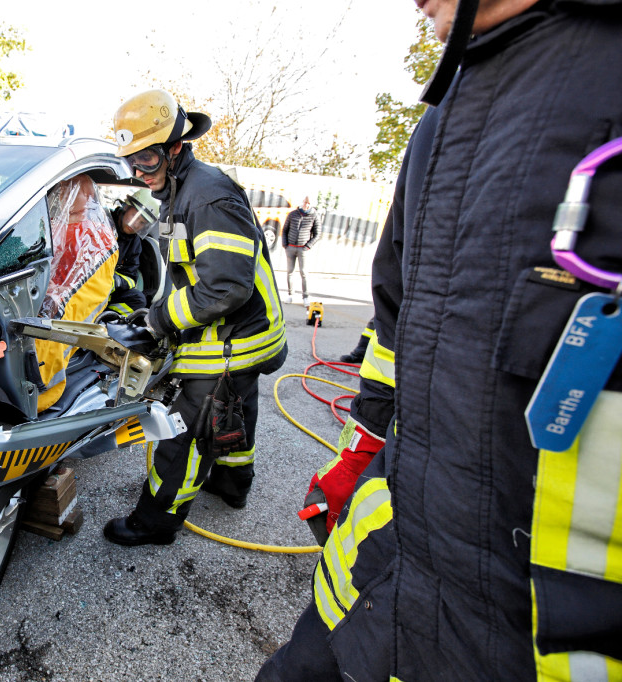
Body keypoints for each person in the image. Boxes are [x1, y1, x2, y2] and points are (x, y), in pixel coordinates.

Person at [258, 0, 622, 680]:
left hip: (539, 644)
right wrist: (362, 446)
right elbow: (396, 332)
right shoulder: (443, 118)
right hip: (381, 598)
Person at [102, 88, 288, 546]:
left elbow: (225, 286)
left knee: (185, 428)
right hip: (250, 333)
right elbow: (189, 271)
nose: (139, 172)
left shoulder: (206, 197)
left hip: (235, 337)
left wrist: (160, 321)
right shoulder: (180, 191)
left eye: (146, 158)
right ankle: (231, 484)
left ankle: (156, 521)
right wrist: (157, 306)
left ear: (175, 147)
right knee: (234, 409)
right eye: (131, 161)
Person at [35, 175, 118, 412]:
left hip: (60, 304)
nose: (62, 193)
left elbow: (80, 289)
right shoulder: (49, 226)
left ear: (89, 197)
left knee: (48, 324)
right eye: (61, 188)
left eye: (71, 189)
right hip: (40, 295)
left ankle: (42, 390)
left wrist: (53, 297)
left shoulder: (98, 236)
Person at [106, 189, 158, 317]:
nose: (135, 224)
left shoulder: (135, 243)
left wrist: (115, 282)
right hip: (87, 282)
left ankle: (106, 318)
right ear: (126, 207)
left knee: (139, 300)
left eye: (142, 223)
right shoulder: (104, 221)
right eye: (135, 215)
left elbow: (131, 278)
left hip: (109, 290)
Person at [281, 196, 320, 306]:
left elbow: (317, 234)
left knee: (303, 273)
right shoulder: (293, 214)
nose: (306, 205)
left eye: (308, 203)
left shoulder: (314, 216)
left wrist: (308, 246)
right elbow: (284, 230)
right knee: (290, 272)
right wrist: (285, 244)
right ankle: (290, 295)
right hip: (290, 248)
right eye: (305, 202)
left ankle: (305, 297)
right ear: (302, 202)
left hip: (303, 249)